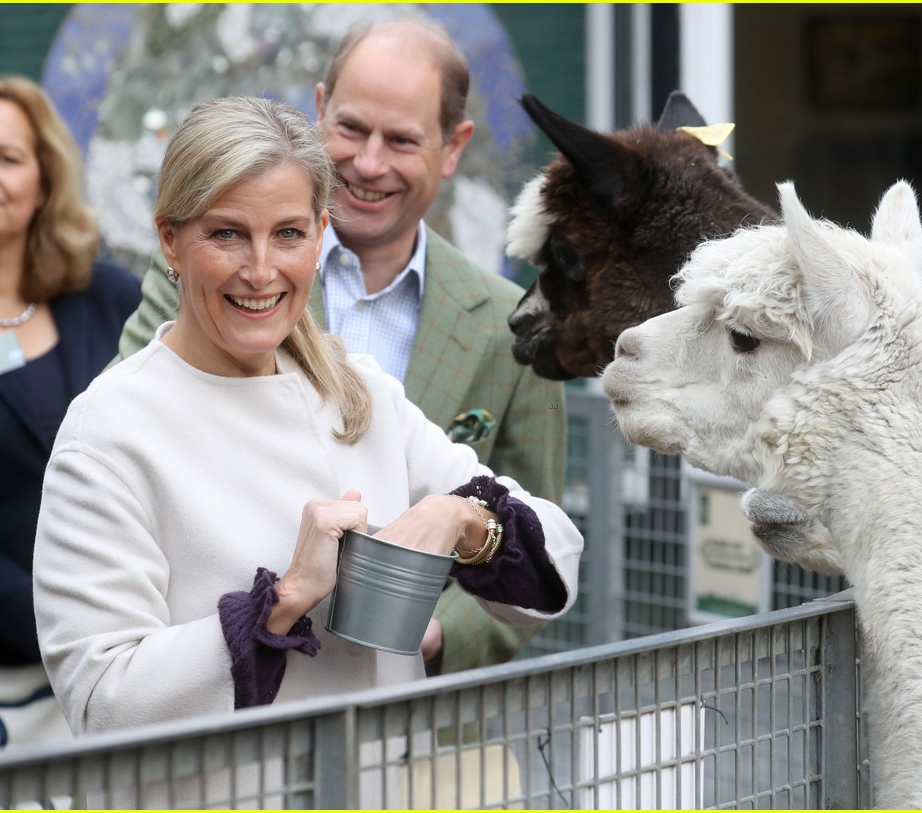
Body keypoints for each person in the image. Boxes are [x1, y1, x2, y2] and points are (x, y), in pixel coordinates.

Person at [32, 96, 582, 734]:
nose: (261, 271)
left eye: (288, 234)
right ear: (170, 242)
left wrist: (462, 520)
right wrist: (283, 602)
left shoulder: (360, 392)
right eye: (227, 233)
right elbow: (101, 700)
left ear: (321, 237)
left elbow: (556, 565)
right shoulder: (110, 431)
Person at [113, 18, 568, 677]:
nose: (369, 162)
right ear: (320, 109)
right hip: (224, 681)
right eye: (352, 129)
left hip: (423, 714)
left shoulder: (508, 322)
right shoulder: (208, 277)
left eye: (402, 140)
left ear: (452, 146)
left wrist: (429, 631)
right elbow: (143, 430)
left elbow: (536, 514)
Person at [0, 75, 142, 756]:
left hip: (121, 662)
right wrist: (45, 615)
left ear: (45, 176)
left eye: (6, 157)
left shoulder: (111, 296)